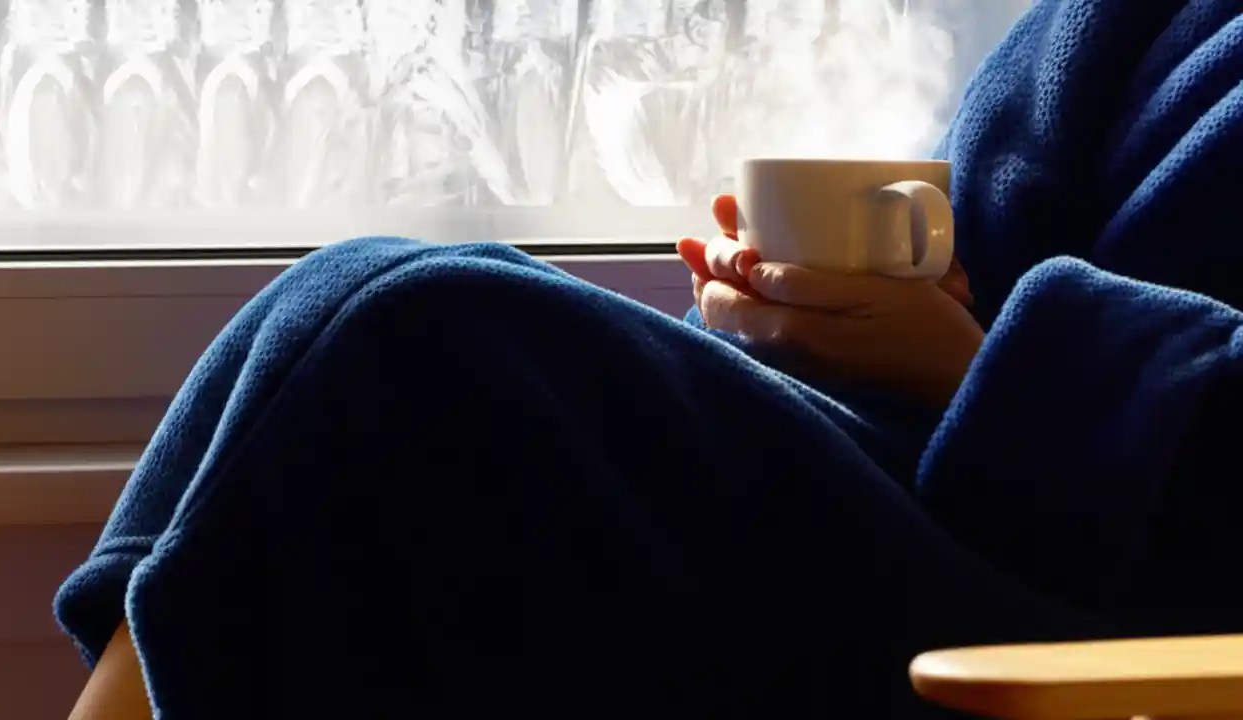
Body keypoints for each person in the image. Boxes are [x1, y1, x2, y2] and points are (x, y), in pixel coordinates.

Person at [61, 0, 1243, 717]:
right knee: (341, 293)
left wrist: (965, 369)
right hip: (967, 502)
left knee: (414, 347)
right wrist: (815, 323)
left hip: (1114, 624)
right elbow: (963, 235)